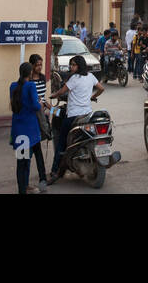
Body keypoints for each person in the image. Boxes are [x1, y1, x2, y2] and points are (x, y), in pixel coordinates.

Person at [47, 55, 103, 183]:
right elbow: (101, 88)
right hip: (88, 115)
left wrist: (53, 95)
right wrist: (92, 97)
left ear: (79, 65)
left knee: (61, 142)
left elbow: (62, 92)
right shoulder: (90, 76)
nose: (71, 67)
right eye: (70, 65)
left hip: (73, 116)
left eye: (73, 65)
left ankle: (55, 172)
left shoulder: (74, 78)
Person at [10, 61, 48, 194]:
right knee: (26, 162)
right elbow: (36, 106)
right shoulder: (31, 86)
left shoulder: (13, 86)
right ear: (30, 73)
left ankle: (23, 187)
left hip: (18, 129)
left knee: (21, 161)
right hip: (30, 130)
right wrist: (40, 104)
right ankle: (23, 188)